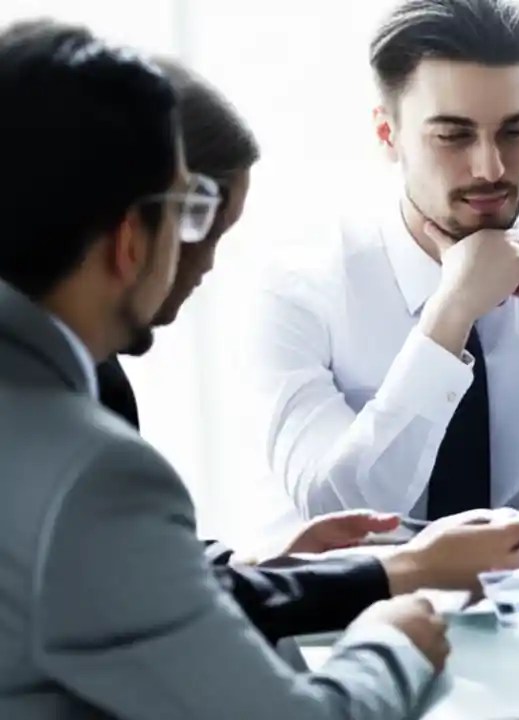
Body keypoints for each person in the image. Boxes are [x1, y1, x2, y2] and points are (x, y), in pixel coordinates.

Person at [0, 20, 440, 718]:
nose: (198, 259)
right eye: (191, 212)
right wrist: (393, 640)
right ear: (128, 240)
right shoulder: (90, 473)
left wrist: (245, 568)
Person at [95, 58, 519, 645]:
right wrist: (403, 575)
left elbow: (123, 565)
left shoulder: (88, 374)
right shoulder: (300, 284)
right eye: (201, 227)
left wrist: (243, 565)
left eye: (515, 131)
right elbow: (141, 613)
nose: (207, 263)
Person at [253, 0, 519, 521]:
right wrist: (452, 311)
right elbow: (336, 511)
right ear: (388, 135)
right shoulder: (300, 286)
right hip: (352, 592)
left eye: (516, 132)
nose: (491, 168)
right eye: (453, 136)